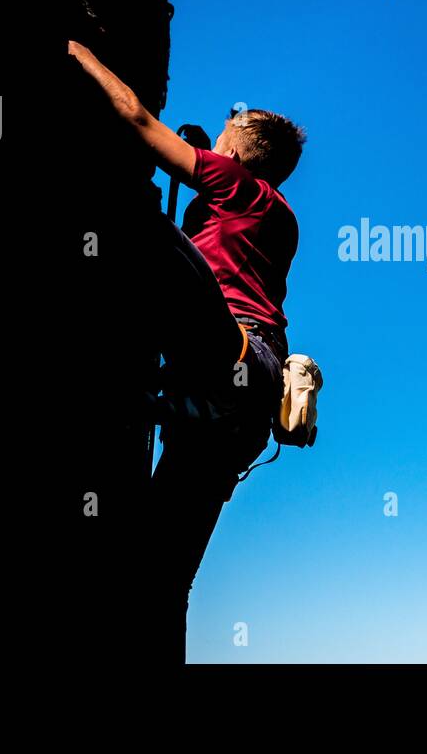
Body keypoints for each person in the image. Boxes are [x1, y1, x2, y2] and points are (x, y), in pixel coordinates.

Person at [66, 39, 306, 663]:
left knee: (141, 223)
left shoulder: (237, 185)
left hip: (237, 363)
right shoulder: (274, 214)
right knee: (157, 579)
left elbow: (139, 121)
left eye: (228, 124)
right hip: (234, 415)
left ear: (234, 147)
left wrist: (76, 50)